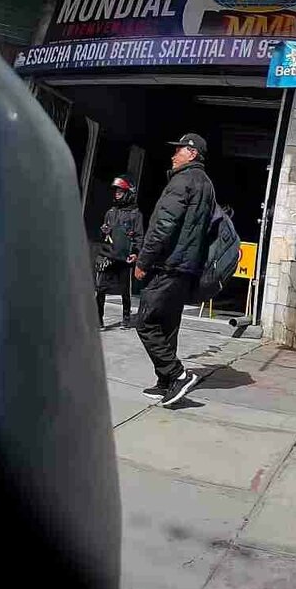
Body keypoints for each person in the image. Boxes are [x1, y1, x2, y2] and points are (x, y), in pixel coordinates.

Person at [134, 133, 215, 406]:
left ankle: (177, 374)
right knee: (168, 324)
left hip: (169, 264)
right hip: (187, 267)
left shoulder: (182, 181)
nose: (173, 154)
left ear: (192, 153)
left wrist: (144, 261)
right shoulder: (206, 184)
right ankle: (166, 382)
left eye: (178, 150)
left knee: (145, 322)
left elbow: (163, 226)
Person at [94, 175, 144, 329]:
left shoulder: (136, 214)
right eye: (115, 191)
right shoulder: (110, 212)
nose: (116, 193)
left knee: (125, 291)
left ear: (129, 193)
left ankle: (126, 318)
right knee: (100, 289)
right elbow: (105, 235)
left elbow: (139, 236)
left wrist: (135, 253)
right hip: (107, 256)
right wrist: (104, 232)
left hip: (125, 258)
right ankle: (99, 319)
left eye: (120, 191)